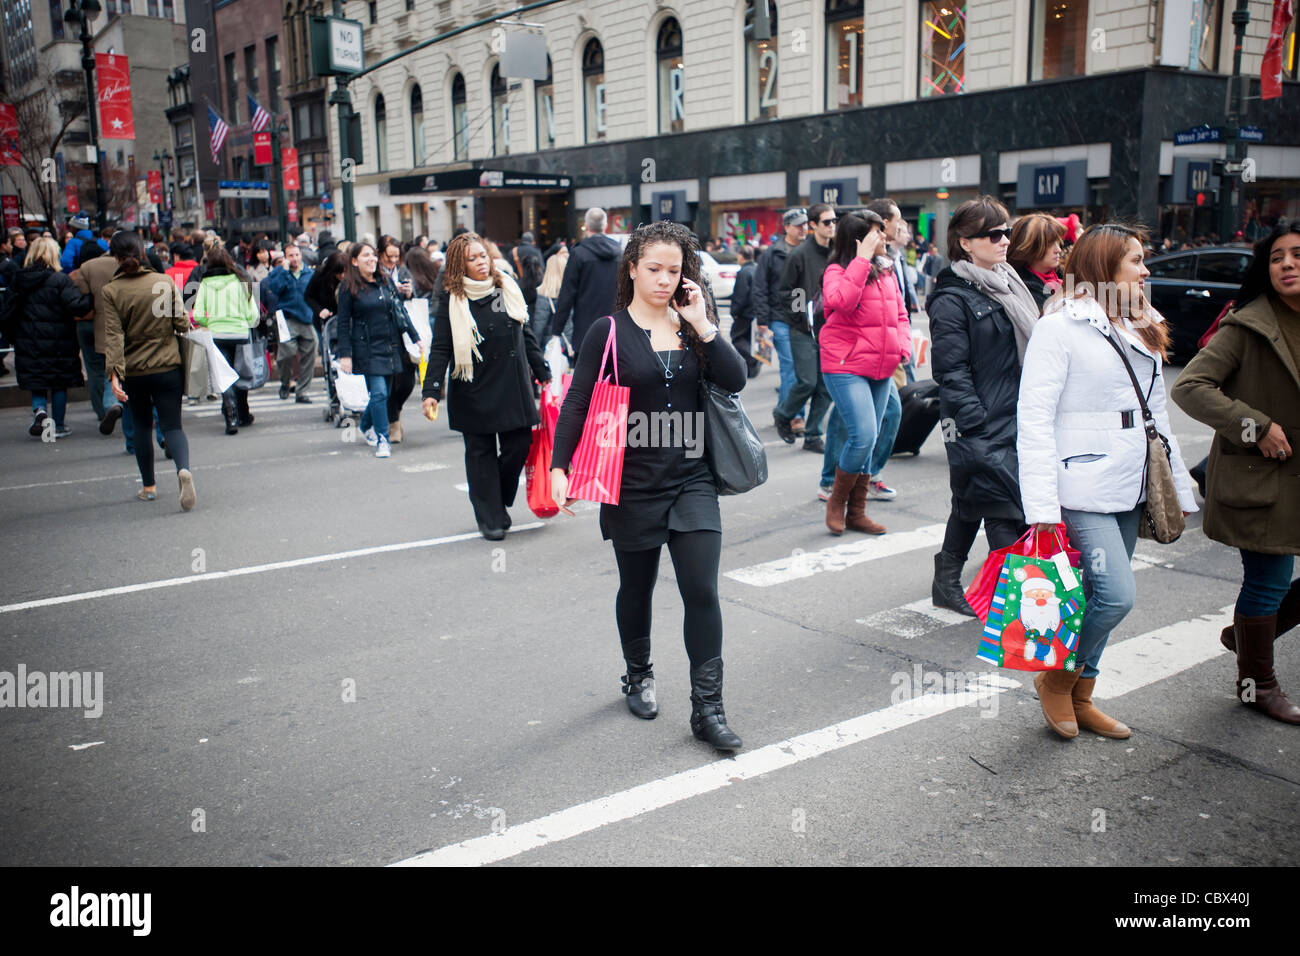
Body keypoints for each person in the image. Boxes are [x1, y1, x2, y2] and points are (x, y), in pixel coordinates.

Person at [549, 222, 748, 752]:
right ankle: (638, 674)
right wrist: (559, 465)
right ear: (632, 268)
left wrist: (704, 324)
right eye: (654, 269)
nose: (664, 279)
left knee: (701, 590)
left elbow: (735, 379)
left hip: (692, 478)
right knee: (636, 588)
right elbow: (578, 400)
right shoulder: (607, 332)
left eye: (675, 270)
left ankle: (708, 710)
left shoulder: (692, 325)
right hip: (632, 483)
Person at [1019, 223, 1197, 740]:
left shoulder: (1142, 320)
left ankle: (1082, 693)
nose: (1146, 270)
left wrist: (1179, 489)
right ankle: (1057, 680)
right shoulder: (1060, 326)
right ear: (1103, 266)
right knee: (1115, 595)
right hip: (1079, 485)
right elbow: (1033, 419)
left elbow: (1157, 417)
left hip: (1133, 479)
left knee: (1102, 593)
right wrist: (1043, 510)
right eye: (1136, 260)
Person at [1172, 219, 1300, 724]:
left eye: (1296, 254)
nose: (1287, 264)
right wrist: (1256, 426)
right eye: (1277, 258)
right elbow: (1190, 387)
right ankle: (1256, 684)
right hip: (1263, 479)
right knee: (1269, 582)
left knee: (1267, 595)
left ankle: (1248, 633)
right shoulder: (1248, 324)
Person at [926, 197, 1038, 614]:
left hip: (1018, 414)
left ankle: (947, 579)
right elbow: (951, 372)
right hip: (977, 420)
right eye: (994, 234)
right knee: (1004, 508)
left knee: (973, 500)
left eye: (1007, 231)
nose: (1005, 240)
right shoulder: (951, 297)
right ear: (965, 242)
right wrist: (977, 424)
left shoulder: (1009, 282)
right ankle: (1021, 602)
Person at [421, 233, 550, 536]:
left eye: (483, 256)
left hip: (512, 383)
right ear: (458, 265)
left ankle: (497, 499)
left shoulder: (506, 287)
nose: (481, 262)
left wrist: (542, 370)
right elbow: (441, 348)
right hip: (472, 387)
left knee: (519, 443)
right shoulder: (453, 300)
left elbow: (525, 331)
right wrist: (430, 392)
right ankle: (490, 518)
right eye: (472, 259)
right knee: (480, 454)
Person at [818, 211, 910, 536]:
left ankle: (857, 512)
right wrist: (861, 261)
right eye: (876, 234)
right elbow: (840, 301)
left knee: (869, 441)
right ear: (857, 240)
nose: (883, 238)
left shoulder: (887, 272)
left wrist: (904, 346)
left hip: (882, 366)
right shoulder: (837, 270)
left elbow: (901, 313)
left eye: (883, 233)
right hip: (845, 365)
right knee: (864, 435)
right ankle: (837, 501)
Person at [101, 232, 195, 510]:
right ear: (142, 252)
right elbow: (181, 323)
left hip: (135, 371)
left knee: (141, 426)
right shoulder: (163, 282)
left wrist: (114, 375)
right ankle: (183, 469)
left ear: (116, 257)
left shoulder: (112, 291)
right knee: (173, 426)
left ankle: (149, 487)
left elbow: (113, 336)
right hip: (168, 366)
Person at [6, 237, 91, 438]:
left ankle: (40, 411)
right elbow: (76, 305)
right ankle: (58, 426)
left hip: (28, 338)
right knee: (58, 382)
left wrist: (12, 335)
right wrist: (90, 298)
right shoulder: (60, 280)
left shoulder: (19, 279)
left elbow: (8, 309)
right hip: (59, 339)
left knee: (37, 380)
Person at [773, 202, 836, 454]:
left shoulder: (835, 253)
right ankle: (783, 413)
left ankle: (813, 434)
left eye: (834, 221)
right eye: (826, 222)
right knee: (807, 381)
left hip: (831, 330)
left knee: (826, 386)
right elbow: (785, 291)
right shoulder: (798, 255)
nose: (832, 226)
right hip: (803, 330)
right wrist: (803, 313)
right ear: (813, 225)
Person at [337, 242, 401, 459]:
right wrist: (344, 354)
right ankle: (383, 439)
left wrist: (414, 337)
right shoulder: (348, 287)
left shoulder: (385, 281)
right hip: (366, 347)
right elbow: (343, 323)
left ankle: (365, 425)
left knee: (386, 393)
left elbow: (398, 311)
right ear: (354, 261)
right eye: (366, 256)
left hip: (388, 345)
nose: (372, 259)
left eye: (374, 255)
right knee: (380, 393)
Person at [193, 246, 260, 435]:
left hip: (217, 335)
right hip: (240, 333)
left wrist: (211, 322)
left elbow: (197, 314)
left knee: (224, 377)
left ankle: (230, 415)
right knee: (241, 374)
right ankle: (244, 412)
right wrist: (243, 323)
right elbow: (252, 314)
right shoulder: (240, 281)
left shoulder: (205, 283)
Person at [755, 208, 809, 430]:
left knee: (802, 369)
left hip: (804, 319)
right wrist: (762, 320)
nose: (803, 228)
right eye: (798, 224)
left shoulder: (810, 251)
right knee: (792, 367)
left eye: (805, 224)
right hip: (778, 318)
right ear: (786, 227)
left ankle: (783, 410)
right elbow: (760, 287)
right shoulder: (772, 253)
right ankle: (794, 415)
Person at [71, 238, 131, 439]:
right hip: (117, 323)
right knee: (112, 364)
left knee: (94, 368)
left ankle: (102, 409)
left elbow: (82, 299)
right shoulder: (122, 264)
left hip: (91, 324)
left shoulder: (85, 268)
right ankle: (112, 402)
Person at [552, 207, 621, 353]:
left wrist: (556, 331)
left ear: (586, 226)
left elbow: (567, 294)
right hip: (616, 328)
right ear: (606, 226)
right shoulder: (619, 253)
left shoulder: (579, 253)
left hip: (585, 331)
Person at [262, 243, 317, 404]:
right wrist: (285, 272)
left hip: (306, 318)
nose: (294, 258)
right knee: (286, 354)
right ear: (285, 257)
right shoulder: (279, 272)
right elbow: (275, 290)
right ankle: (285, 382)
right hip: (286, 318)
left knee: (310, 352)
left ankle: (302, 391)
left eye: (297, 255)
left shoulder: (309, 272)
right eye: (291, 255)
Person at [379, 236, 418, 443]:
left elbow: (414, 297)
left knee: (407, 380)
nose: (393, 260)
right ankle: (393, 422)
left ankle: (397, 410)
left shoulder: (402, 271)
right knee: (389, 381)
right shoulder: (374, 273)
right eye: (389, 256)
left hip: (405, 331)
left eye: (396, 256)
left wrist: (409, 293)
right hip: (384, 332)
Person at [1008, 213, 1066, 313]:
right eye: (1050, 244)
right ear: (1030, 248)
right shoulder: (1020, 289)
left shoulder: (1065, 278)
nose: (1058, 249)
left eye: (1058, 242)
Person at [728, 244, 760, 378]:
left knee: (737, 337)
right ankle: (752, 365)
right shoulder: (757, 269)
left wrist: (734, 310)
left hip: (745, 311)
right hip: (757, 310)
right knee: (750, 339)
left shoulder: (744, 272)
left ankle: (753, 360)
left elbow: (740, 294)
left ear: (741, 256)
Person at [531, 246, 568, 348]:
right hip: (569, 343)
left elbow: (539, 326)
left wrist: (535, 350)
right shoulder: (571, 293)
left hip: (551, 345)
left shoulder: (544, 294)